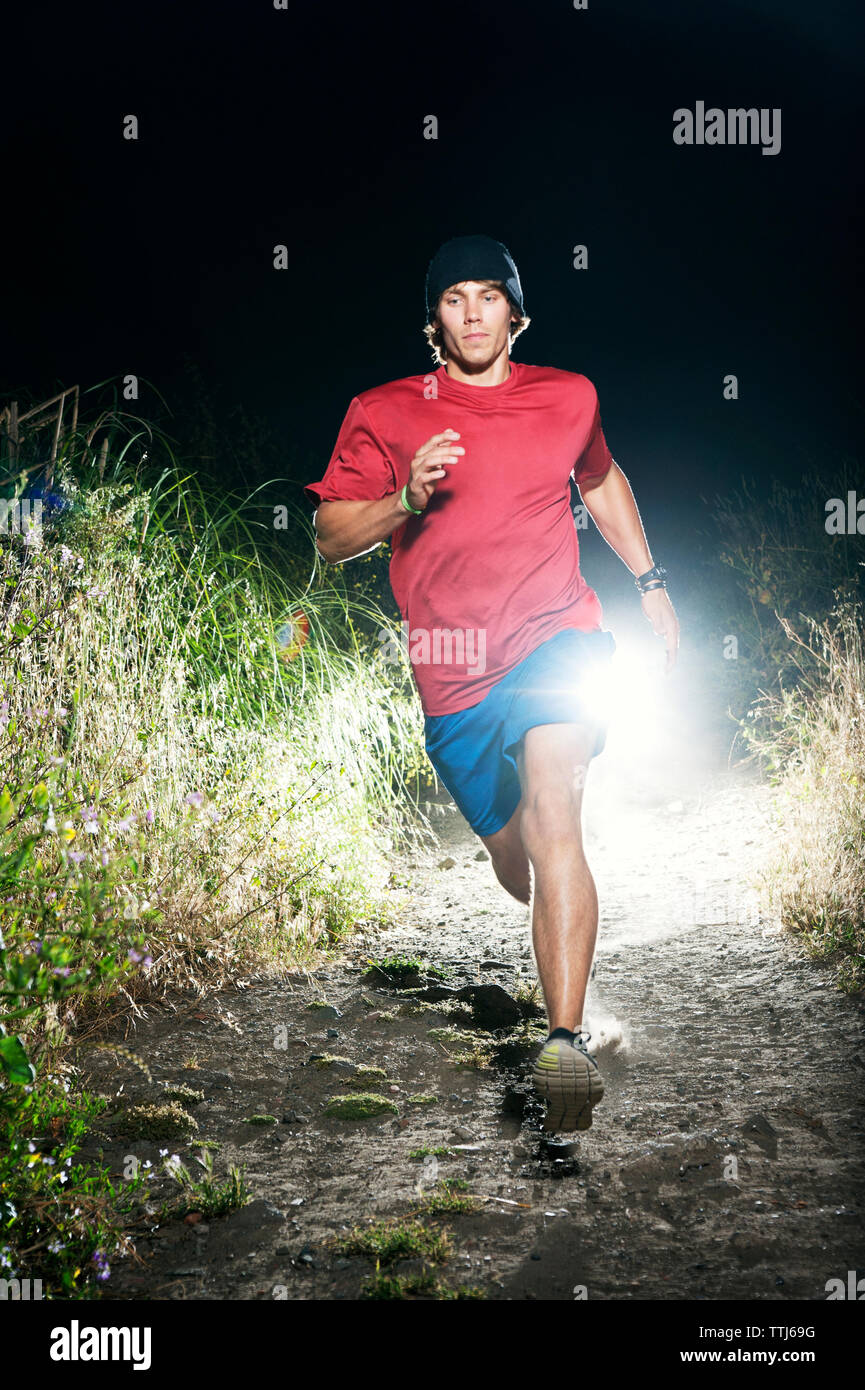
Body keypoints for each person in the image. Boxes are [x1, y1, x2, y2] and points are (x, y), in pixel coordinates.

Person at [303, 234, 679, 1132]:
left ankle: (563, 1043)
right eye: (453, 299)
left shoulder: (568, 396)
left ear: (515, 310)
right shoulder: (383, 410)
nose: (472, 314)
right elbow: (328, 534)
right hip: (452, 673)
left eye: (488, 296)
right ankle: (560, 966)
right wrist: (407, 502)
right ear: (433, 319)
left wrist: (651, 583)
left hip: (559, 640)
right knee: (519, 865)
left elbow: (600, 481)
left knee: (557, 814)